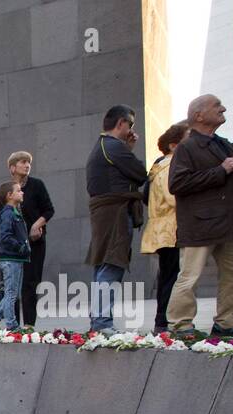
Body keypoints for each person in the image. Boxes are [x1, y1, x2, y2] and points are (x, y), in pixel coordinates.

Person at [166, 95, 233, 337]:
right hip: (200, 225)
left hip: (228, 224)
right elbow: (177, 184)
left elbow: (231, 182)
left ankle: (228, 320)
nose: (223, 108)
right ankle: (180, 325)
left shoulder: (223, 144)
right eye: (216, 106)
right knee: (189, 277)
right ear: (198, 115)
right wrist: (222, 170)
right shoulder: (187, 147)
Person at [85, 105, 147, 333]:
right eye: (130, 125)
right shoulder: (113, 146)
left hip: (107, 213)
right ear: (121, 123)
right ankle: (102, 323)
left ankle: (98, 321)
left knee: (104, 265)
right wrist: (129, 149)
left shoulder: (104, 146)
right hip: (115, 214)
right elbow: (141, 174)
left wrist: (127, 148)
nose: (131, 130)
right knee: (111, 264)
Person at [0, 151, 54, 327]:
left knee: (30, 283)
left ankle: (29, 325)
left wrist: (37, 225)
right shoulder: (6, 190)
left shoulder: (37, 185)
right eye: (23, 162)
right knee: (13, 287)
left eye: (29, 162)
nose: (27, 165)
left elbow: (49, 210)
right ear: (13, 167)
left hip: (35, 243)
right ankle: (14, 324)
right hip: (11, 247)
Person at [141, 122, 189, 333]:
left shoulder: (158, 167)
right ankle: (167, 320)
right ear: (173, 145)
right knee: (173, 276)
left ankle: (163, 321)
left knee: (168, 275)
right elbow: (174, 198)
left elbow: (145, 197)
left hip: (163, 229)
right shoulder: (171, 165)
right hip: (173, 228)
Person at [0, 182, 30, 331]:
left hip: (15, 259)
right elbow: (5, 236)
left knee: (11, 293)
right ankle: (11, 324)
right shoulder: (8, 213)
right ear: (9, 195)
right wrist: (20, 246)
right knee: (11, 294)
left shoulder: (13, 212)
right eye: (19, 191)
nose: (22, 193)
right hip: (11, 259)